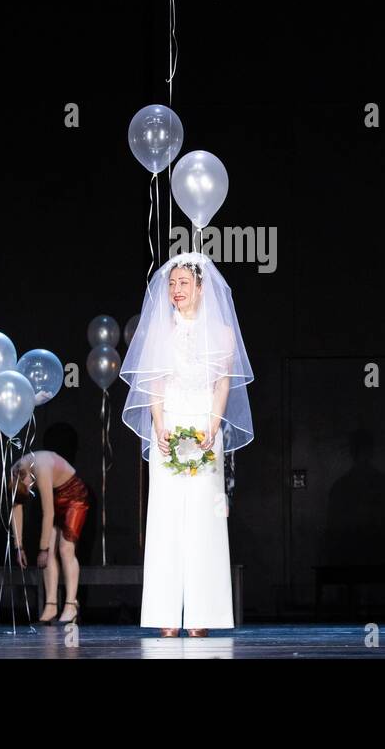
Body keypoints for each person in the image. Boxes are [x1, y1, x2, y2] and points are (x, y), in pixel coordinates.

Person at [120, 252, 255, 637]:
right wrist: (159, 425)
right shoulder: (161, 332)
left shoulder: (223, 333)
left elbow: (222, 384)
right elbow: (155, 383)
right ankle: (165, 615)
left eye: (183, 283)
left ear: (200, 287)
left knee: (203, 520)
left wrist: (213, 425)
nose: (176, 290)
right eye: (171, 284)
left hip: (204, 428)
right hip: (168, 427)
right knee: (165, 519)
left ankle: (201, 616)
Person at [8, 450, 90, 625]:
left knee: (65, 549)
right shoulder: (15, 473)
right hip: (56, 497)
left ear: (27, 476)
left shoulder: (41, 467)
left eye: (29, 487)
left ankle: (71, 605)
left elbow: (48, 513)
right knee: (50, 551)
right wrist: (18, 546)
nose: (30, 490)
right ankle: (51, 606)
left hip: (74, 497)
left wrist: (42, 549)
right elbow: (17, 508)